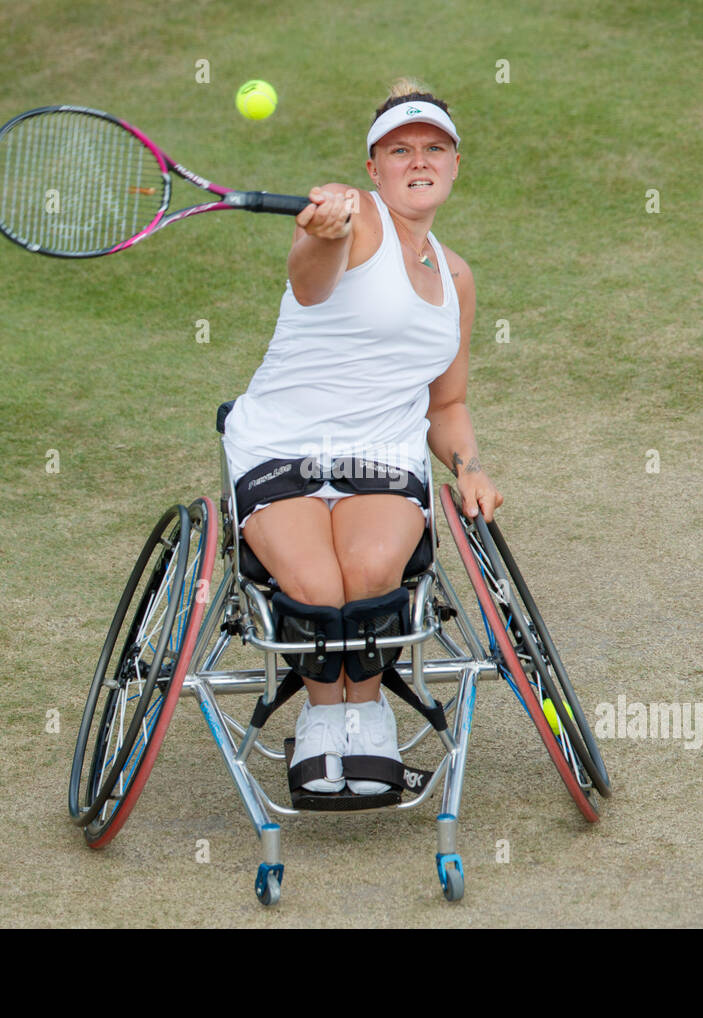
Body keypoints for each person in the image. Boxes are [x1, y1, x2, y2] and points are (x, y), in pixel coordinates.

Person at [222, 78, 502, 795]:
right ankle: (326, 725)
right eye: (399, 149)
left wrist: (468, 466)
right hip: (280, 448)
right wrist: (325, 233)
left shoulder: (458, 276)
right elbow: (311, 283)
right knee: (316, 586)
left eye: (434, 147)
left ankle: (365, 715)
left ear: (454, 166)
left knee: (374, 571)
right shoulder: (352, 220)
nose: (418, 160)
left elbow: (450, 401)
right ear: (374, 168)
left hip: (382, 457)